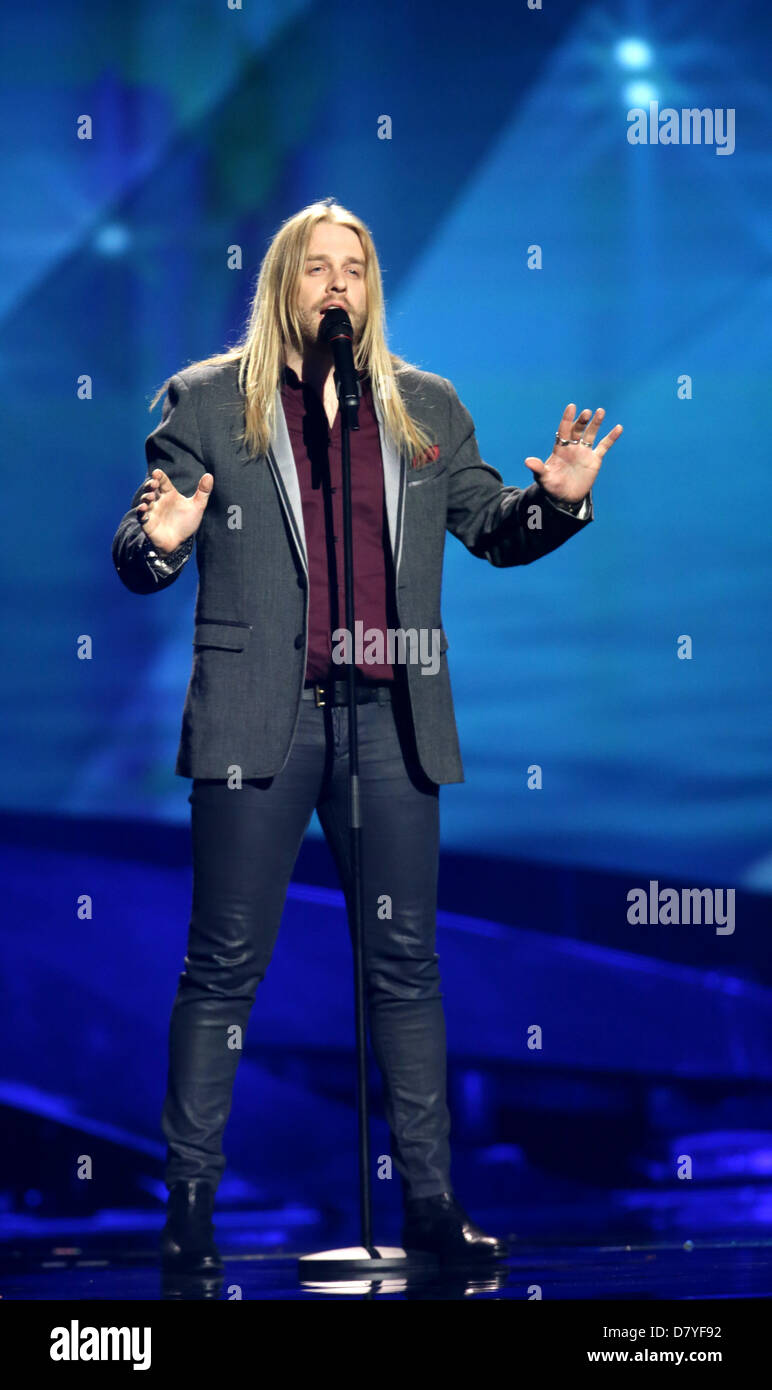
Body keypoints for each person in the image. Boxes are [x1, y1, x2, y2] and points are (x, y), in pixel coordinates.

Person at [112, 199, 623, 1273]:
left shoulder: (422, 408)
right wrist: (157, 545)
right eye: (315, 269)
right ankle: (189, 1212)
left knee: (405, 967)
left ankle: (430, 1209)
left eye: (354, 267)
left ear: (371, 287)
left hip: (388, 722)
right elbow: (140, 543)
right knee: (223, 969)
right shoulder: (207, 403)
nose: (336, 284)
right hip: (261, 718)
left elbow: (491, 527)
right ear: (283, 286)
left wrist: (560, 506)